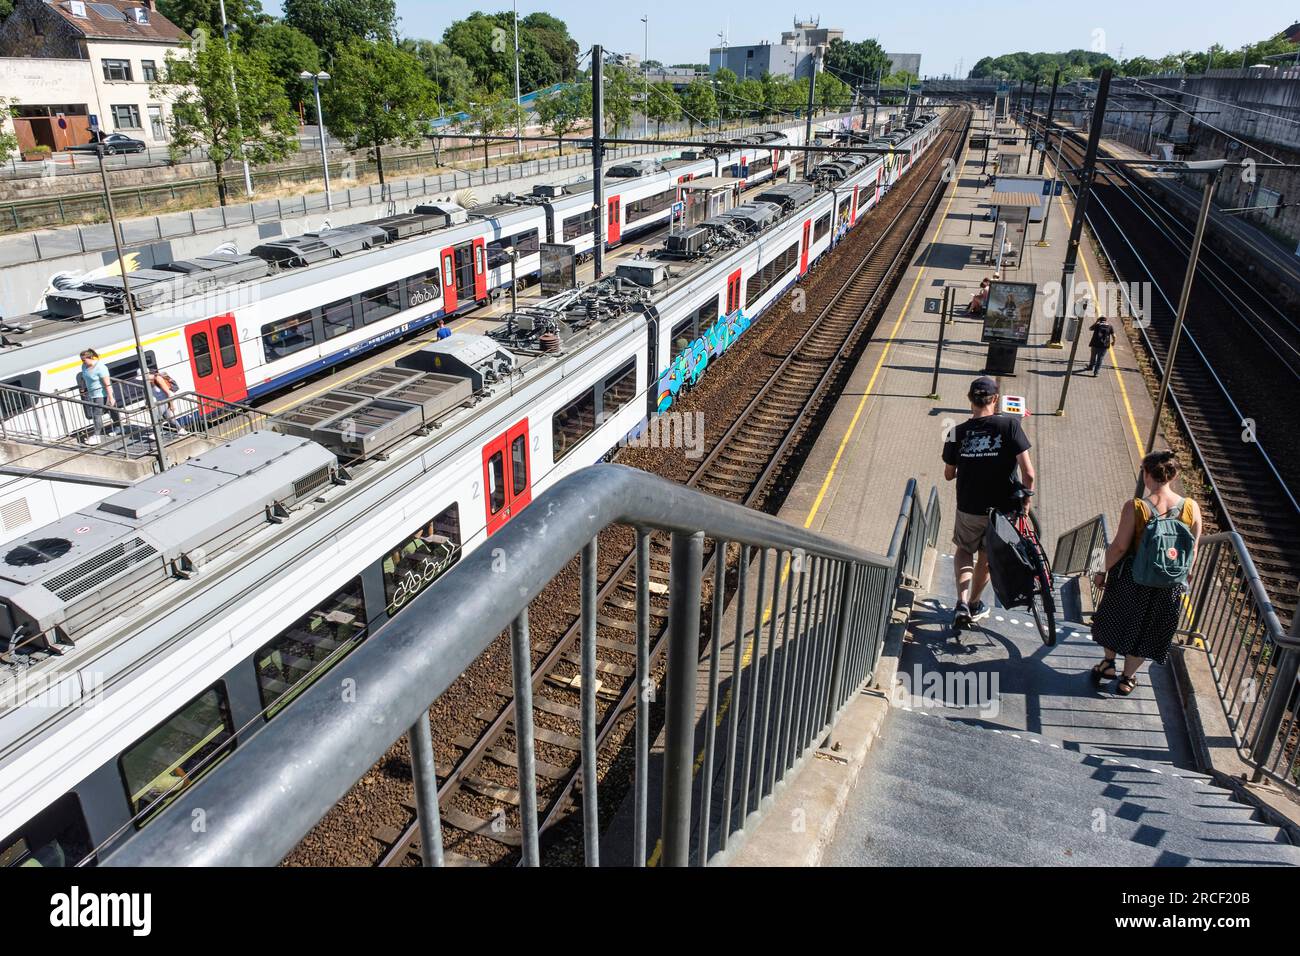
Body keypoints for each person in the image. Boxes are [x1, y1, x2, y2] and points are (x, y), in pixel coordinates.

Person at [1090, 451, 1202, 696]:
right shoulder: (1191, 507)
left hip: (1130, 579)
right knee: (1148, 630)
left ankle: (1108, 664)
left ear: (1146, 474)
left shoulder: (1136, 506)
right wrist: (1184, 579)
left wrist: (1098, 569)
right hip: (1168, 584)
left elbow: (1118, 547)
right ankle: (1127, 678)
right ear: (1174, 475)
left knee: (1114, 618)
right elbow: (1192, 550)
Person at [942, 376, 1036, 629]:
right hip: (1002, 510)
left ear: (969, 399)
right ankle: (974, 603)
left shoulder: (954, 432)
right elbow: (1029, 474)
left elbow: (949, 474)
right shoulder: (1010, 427)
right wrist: (1025, 504)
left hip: (969, 506)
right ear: (995, 399)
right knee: (986, 555)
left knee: (964, 549)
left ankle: (960, 602)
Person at [76, 348, 118, 445]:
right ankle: (119, 427)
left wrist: (110, 397)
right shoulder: (84, 366)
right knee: (111, 410)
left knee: (96, 414)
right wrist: (83, 387)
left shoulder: (100, 367)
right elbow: (84, 376)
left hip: (101, 394)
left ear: (90, 358)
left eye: (84, 360)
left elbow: (107, 383)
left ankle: (97, 436)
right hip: (92, 394)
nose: (83, 362)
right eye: (82, 360)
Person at [148, 370, 188, 435]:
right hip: (161, 402)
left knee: (156, 416)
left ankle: (156, 433)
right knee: (170, 418)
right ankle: (181, 430)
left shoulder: (158, 379)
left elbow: (169, 393)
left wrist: (171, 405)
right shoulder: (149, 382)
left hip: (165, 401)